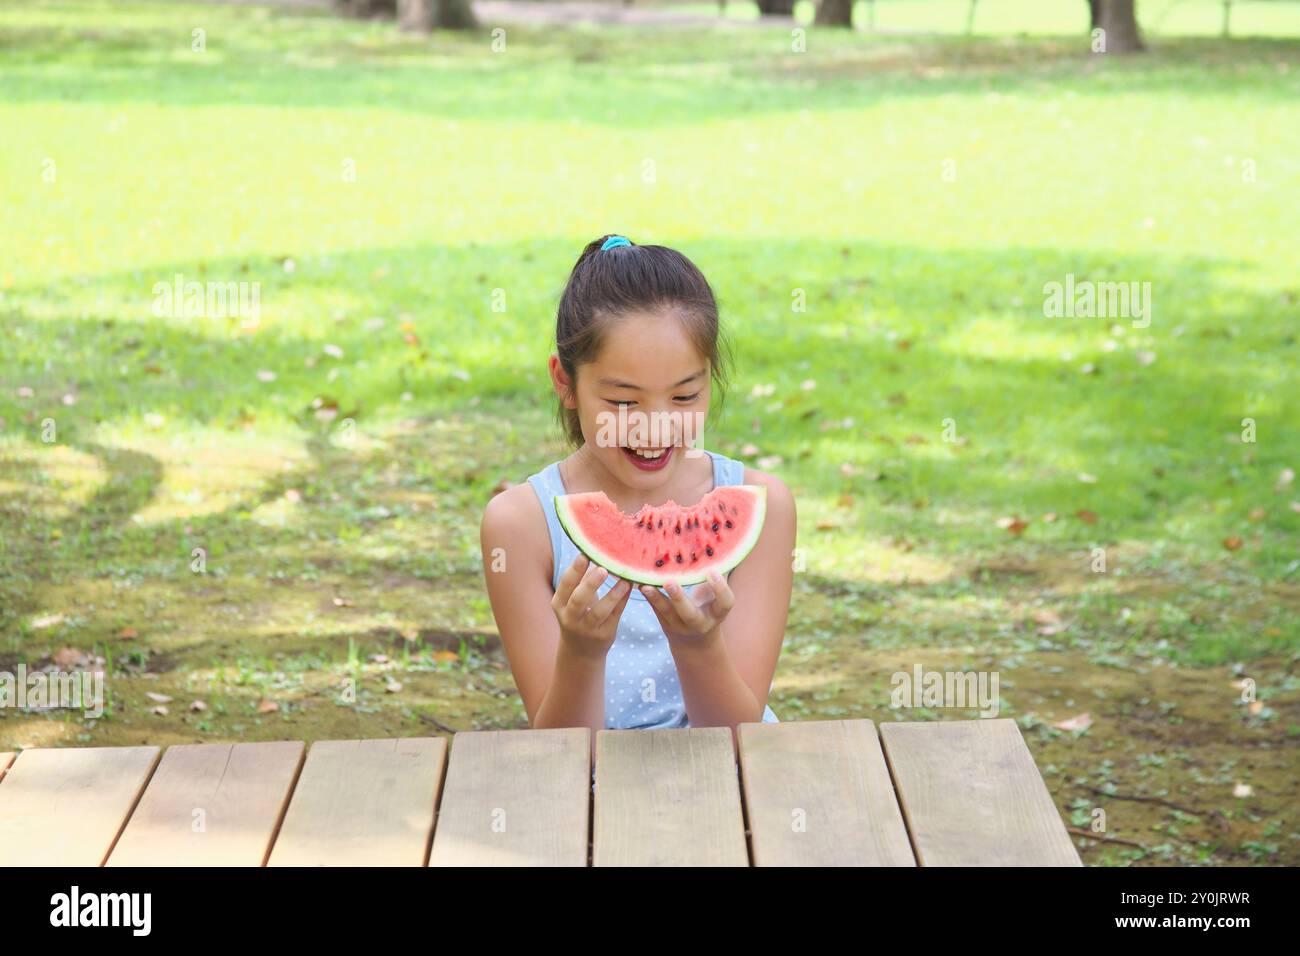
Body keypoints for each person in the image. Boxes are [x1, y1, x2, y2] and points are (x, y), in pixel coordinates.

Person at [480, 235, 796, 738]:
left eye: (685, 395)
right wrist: (581, 651)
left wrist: (699, 644)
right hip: (592, 790)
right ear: (565, 383)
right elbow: (560, 748)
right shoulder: (521, 524)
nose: (656, 427)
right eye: (624, 403)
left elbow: (738, 733)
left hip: (731, 783)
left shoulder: (764, 506)